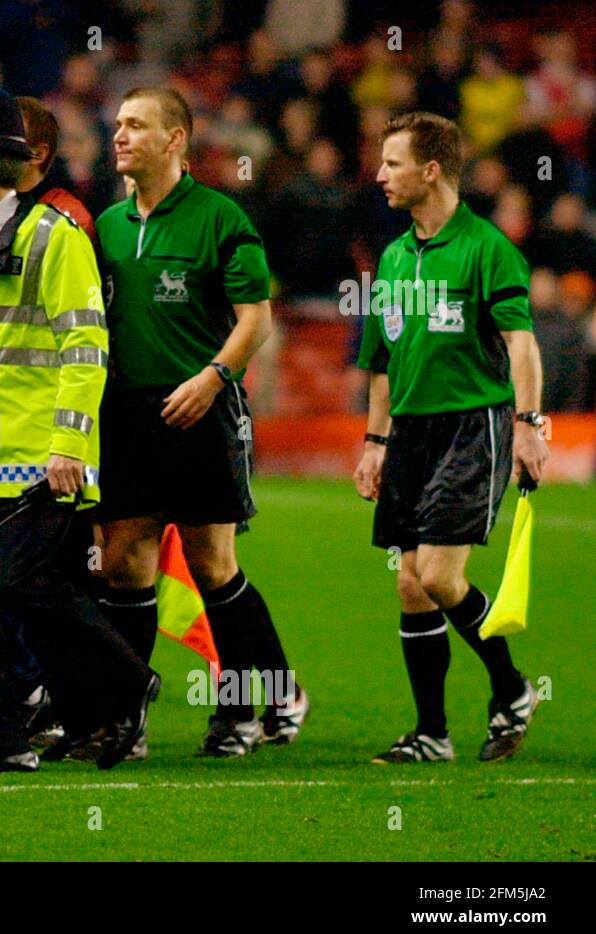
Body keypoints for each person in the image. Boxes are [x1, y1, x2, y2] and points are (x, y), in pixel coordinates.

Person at [0, 84, 160, 774]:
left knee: (23, 586)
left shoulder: (55, 237)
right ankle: (1, 745)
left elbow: (85, 345)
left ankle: (126, 683)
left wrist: (70, 443)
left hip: (34, 461)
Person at [96, 86, 306, 758]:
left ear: (176, 138)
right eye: (118, 125)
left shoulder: (221, 219)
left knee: (214, 564)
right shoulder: (105, 226)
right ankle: (127, 721)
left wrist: (213, 377)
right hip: (125, 414)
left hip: (200, 407)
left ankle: (240, 711)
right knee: (126, 564)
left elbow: (256, 320)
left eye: (137, 125)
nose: (121, 136)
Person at [354, 111, 548, 764]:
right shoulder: (393, 255)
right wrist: (375, 442)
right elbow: (382, 360)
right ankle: (432, 733)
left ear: (431, 170)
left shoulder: (487, 247)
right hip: (408, 431)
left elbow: (522, 344)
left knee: (437, 573)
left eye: (393, 163)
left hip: (474, 424)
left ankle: (512, 687)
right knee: (410, 582)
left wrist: (528, 425)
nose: (380, 175)